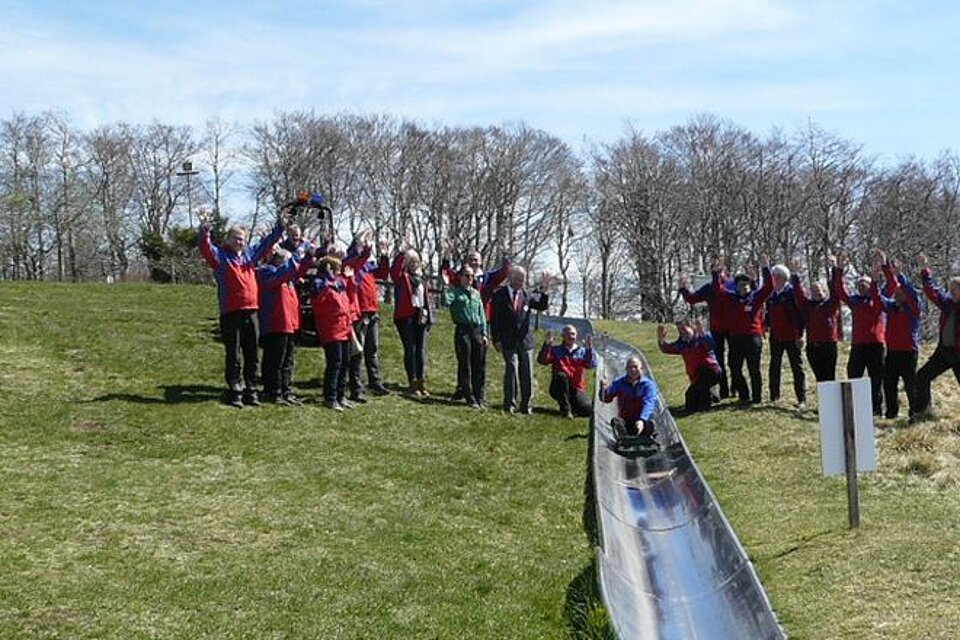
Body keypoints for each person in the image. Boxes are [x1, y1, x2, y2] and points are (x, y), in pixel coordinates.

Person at [198, 209, 286, 408]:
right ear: (228, 239)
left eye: (243, 239)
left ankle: (251, 390)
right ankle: (235, 390)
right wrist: (205, 228)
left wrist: (280, 225)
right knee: (234, 354)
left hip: (252, 310)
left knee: (252, 353)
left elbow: (267, 243)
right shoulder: (221, 256)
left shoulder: (249, 255)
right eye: (236, 238)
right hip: (231, 312)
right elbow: (205, 247)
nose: (240, 242)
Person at [490, 266, 550, 415]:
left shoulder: (527, 295)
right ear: (511, 277)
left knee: (527, 373)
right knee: (512, 370)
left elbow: (541, 305)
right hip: (508, 340)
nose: (520, 283)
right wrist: (496, 339)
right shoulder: (499, 295)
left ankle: (526, 405)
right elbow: (494, 319)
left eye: (522, 280)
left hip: (525, 341)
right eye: (517, 279)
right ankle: (510, 403)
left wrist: (545, 288)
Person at [831, 253, 886, 416]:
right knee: (853, 373)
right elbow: (840, 291)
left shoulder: (878, 299)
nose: (861, 286)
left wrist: (876, 278)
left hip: (875, 345)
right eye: (859, 284)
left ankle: (876, 409)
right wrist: (839, 269)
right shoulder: (855, 301)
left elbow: (878, 295)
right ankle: (856, 406)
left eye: (865, 284)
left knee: (876, 378)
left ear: (871, 286)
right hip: (858, 345)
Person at [712, 259, 773, 405]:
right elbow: (717, 289)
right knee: (734, 367)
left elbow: (769, 286)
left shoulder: (756, 297)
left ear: (749, 285)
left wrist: (765, 268)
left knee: (754, 369)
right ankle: (744, 395)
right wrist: (716, 273)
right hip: (736, 339)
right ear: (736, 287)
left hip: (753, 338)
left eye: (745, 284)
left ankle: (757, 398)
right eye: (740, 285)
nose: (743, 287)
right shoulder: (731, 298)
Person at [257, 247, 312, 405]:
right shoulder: (266, 272)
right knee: (275, 361)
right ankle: (273, 391)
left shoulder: (287, 279)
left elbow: (299, 269)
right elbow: (286, 272)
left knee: (288, 361)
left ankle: (286, 390)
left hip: (289, 324)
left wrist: (308, 256)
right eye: (288, 262)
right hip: (275, 324)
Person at [342, 231, 391, 398]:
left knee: (373, 349)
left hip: (372, 311)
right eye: (362, 243)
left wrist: (384, 255)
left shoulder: (367, 267)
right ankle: (356, 386)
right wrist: (366, 249)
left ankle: (375, 382)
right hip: (359, 313)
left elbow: (383, 273)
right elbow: (358, 259)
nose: (365, 245)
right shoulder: (350, 263)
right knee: (357, 351)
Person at [385, 240, 435, 397]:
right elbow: (393, 273)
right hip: (406, 317)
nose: (414, 264)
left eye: (416, 261)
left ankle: (421, 381)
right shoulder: (402, 276)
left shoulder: (421, 279)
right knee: (411, 349)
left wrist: (429, 315)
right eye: (410, 261)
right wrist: (401, 254)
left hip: (421, 316)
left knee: (420, 351)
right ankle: (412, 382)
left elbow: (427, 298)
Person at [913, 254, 960, 422]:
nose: (950, 292)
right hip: (945, 353)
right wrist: (924, 270)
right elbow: (931, 291)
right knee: (922, 376)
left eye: (954, 289)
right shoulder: (947, 303)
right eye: (950, 289)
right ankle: (923, 412)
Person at [878, 254, 921, 420]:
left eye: (899, 293)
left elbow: (909, 290)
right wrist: (881, 273)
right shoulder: (891, 307)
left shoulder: (913, 309)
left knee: (911, 384)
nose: (896, 295)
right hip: (893, 352)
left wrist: (898, 274)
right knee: (889, 383)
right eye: (895, 293)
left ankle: (915, 412)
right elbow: (878, 298)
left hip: (909, 352)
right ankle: (891, 412)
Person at [679, 267, 733, 398]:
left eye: (720, 270)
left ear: (725, 271)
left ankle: (736, 387)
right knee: (718, 360)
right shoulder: (708, 287)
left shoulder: (731, 284)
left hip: (733, 328)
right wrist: (683, 288)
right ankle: (723, 390)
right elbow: (692, 299)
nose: (718, 273)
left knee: (734, 361)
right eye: (715, 271)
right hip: (716, 328)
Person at [310, 255, 354, 411]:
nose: (338, 273)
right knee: (335, 363)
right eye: (335, 270)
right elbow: (319, 296)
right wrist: (328, 277)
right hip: (331, 329)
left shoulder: (338, 285)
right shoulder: (319, 283)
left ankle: (341, 396)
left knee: (344, 363)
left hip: (344, 328)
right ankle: (330, 397)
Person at [444, 266, 489, 408]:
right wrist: (446, 286)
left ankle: (479, 395)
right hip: (463, 330)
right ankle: (468, 395)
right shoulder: (456, 292)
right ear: (461, 277)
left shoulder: (476, 294)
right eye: (467, 276)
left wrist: (485, 333)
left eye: (471, 276)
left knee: (479, 363)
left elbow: (482, 315)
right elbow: (446, 301)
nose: (470, 279)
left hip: (477, 331)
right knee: (465, 364)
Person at [656, 319, 723, 413]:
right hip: (696, 376)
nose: (682, 332)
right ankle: (712, 396)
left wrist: (702, 333)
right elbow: (667, 349)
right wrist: (661, 339)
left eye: (684, 329)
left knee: (703, 380)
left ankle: (706, 406)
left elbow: (711, 345)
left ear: (692, 327)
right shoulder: (681, 344)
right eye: (680, 331)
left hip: (712, 371)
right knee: (690, 397)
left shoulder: (700, 338)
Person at [765, 264, 806, 407]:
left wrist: (800, 335)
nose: (773, 279)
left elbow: (801, 315)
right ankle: (774, 396)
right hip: (776, 337)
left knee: (797, 367)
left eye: (774, 277)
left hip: (792, 336)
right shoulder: (771, 295)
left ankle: (801, 399)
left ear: (781, 278)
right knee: (774, 365)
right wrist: (766, 325)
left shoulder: (792, 293)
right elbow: (768, 314)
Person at [537, 325, 597, 418]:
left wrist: (589, 350)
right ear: (563, 336)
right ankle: (565, 411)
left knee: (587, 410)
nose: (570, 336)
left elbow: (591, 365)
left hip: (576, 388)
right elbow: (543, 360)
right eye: (567, 334)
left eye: (573, 334)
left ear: (576, 336)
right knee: (562, 376)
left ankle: (572, 407)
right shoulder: (556, 350)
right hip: (559, 386)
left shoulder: (582, 351)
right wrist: (547, 345)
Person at [791, 273, 840, 382]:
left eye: (818, 289)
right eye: (813, 290)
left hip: (829, 346)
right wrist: (795, 277)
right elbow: (799, 295)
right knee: (820, 378)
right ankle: (824, 398)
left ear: (823, 290)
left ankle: (831, 398)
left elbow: (836, 292)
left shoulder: (830, 304)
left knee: (829, 377)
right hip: (813, 347)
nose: (816, 292)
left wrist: (835, 270)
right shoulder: (807, 305)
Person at [599, 356, 659, 443]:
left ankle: (647, 436)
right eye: (630, 367)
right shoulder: (619, 383)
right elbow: (606, 399)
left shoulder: (648, 385)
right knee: (616, 422)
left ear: (641, 369)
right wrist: (603, 389)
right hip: (626, 421)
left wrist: (642, 420)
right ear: (626, 369)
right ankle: (624, 439)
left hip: (642, 421)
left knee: (651, 423)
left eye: (635, 367)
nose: (633, 370)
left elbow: (649, 403)